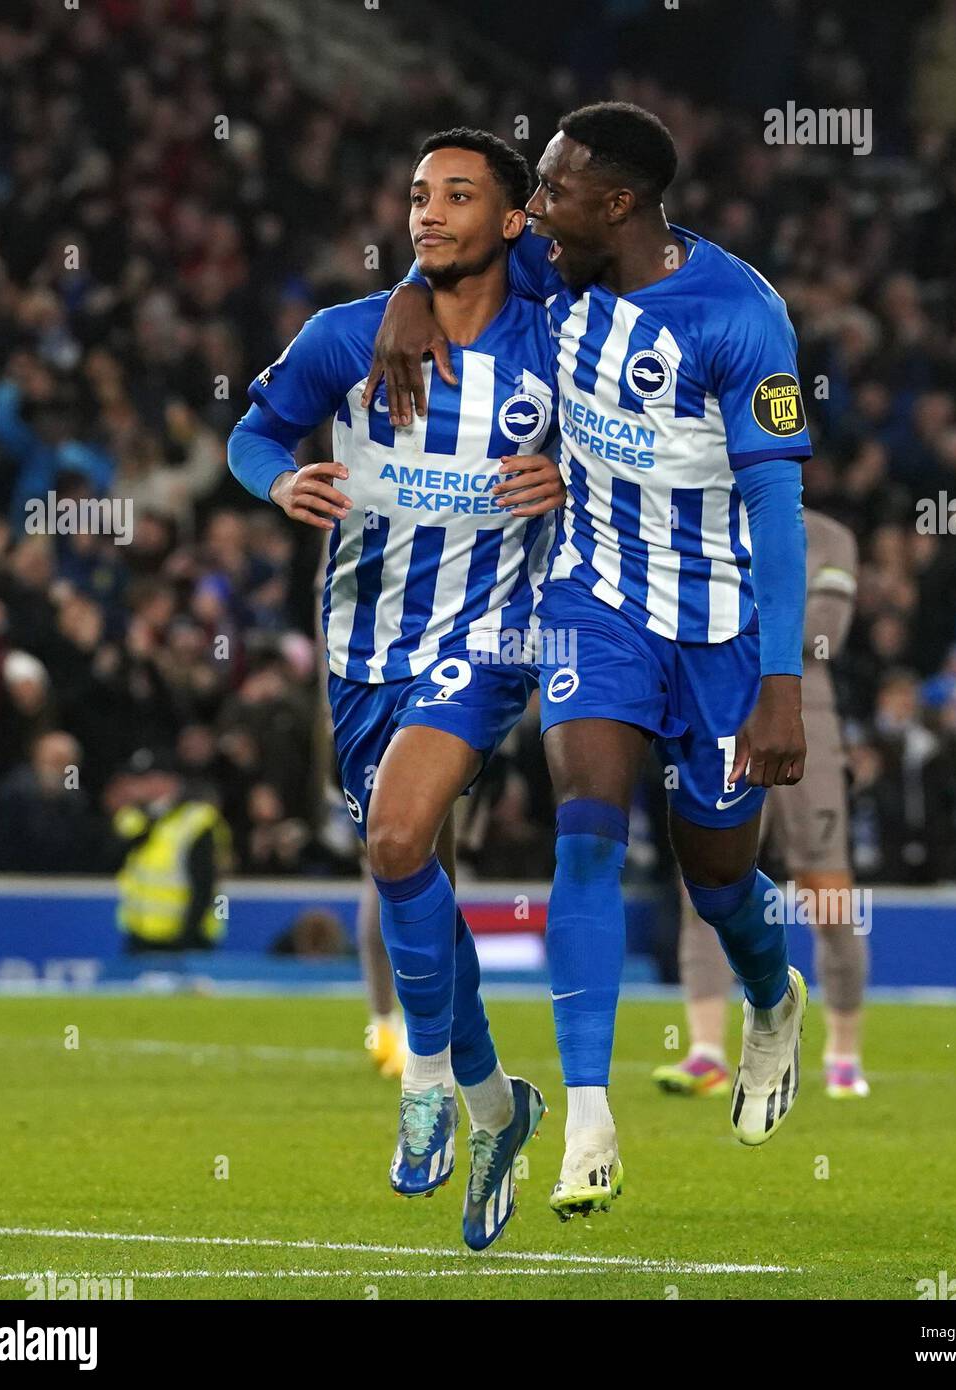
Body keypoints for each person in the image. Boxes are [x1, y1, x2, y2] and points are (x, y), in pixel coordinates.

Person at [371, 103, 812, 1221]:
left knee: (716, 882)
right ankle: (585, 1118)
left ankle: (771, 999)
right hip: (592, 600)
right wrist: (404, 298)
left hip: (716, 632)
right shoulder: (556, 273)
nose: (534, 214)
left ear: (615, 204)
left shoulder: (738, 317)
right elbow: (453, 254)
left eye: (556, 191)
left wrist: (778, 683)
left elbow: (778, 509)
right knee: (585, 828)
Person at [228, 129, 565, 1251]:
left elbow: (641, 440)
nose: (428, 211)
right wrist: (281, 480)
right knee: (410, 863)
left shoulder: (559, 344)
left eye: (460, 195)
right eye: (420, 194)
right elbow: (251, 430)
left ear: (513, 221)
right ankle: (492, 1105)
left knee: (395, 838)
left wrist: (570, 473)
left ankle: (421, 1077)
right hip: (360, 642)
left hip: (489, 632)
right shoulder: (346, 334)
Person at [652, 511, 871, 1100]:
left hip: (806, 717)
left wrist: (728, 615)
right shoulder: (708, 513)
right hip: (720, 710)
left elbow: (826, 631)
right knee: (705, 879)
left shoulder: (830, 536)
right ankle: (705, 1051)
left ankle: (844, 1053)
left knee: (827, 894)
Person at [111, 748, 231, 952]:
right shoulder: (130, 818)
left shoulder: (198, 820)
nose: (135, 786)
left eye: (145, 779)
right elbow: (110, 862)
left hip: (188, 937)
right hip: (141, 935)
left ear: (167, 781)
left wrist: (189, 934)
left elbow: (205, 883)